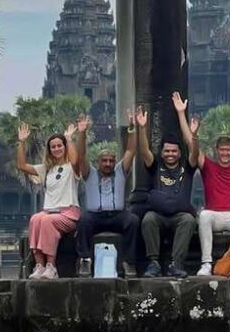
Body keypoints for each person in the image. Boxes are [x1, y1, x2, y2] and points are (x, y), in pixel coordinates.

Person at [138, 93, 199, 278]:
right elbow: (144, 151)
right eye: (167, 151)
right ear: (162, 152)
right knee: (148, 218)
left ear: (180, 153)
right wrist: (142, 129)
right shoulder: (155, 164)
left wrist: (191, 130)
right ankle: (154, 263)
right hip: (158, 215)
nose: (170, 154)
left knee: (189, 220)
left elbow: (194, 150)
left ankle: (176, 263)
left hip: (180, 216)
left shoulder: (187, 167)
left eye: (174, 151)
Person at [74, 112, 139, 278]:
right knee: (83, 219)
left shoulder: (120, 172)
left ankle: (129, 262)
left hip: (117, 216)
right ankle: (85, 260)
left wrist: (132, 129)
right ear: (98, 162)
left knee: (133, 220)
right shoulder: (90, 174)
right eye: (105, 161)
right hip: (95, 217)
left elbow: (131, 150)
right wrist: (81, 133)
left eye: (111, 160)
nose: (108, 164)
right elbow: (80, 156)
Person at [17, 122, 81, 280]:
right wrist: (22, 142)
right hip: (49, 212)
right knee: (35, 219)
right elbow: (21, 165)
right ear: (49, 150)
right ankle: (39, 266)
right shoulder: (46, 169)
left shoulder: (72, 168)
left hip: (69, 214)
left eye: (60, 145)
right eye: (53, 147)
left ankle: (51, 266)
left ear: (65, 147)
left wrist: (68, 138)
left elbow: (75, 161)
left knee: (46, 221)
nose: (57, 149)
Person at [194, 132, 230, 278]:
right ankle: (206, 263)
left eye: (228, 150)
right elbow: (193, 150)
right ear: (217, 150)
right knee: (204, 215)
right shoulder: (208, 166)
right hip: (215, 216)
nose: (225, 153)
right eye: (222, 149)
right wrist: (193, 133)